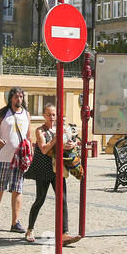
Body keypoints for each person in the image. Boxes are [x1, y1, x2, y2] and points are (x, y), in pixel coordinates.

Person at [24, 104, 81, 245]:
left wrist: (71, 145)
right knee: (40, 199)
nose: (52, 118)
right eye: (49, 115)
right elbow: (43, 149)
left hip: (57, 168)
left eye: (54, 115)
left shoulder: (61, 129)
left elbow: (69, 143)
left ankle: (64, 233)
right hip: (43, 169)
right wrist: (55, 139)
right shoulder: (40, 131)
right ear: (44, 115)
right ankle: (30, 229)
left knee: (62, 199)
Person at [0, 88, 30, 233]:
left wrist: (31, 154)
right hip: (2, 158)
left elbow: (28, 137)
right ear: (11, 98)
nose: (19, 99)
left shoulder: (26, 114)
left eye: (21, 97)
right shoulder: (3, 113)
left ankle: (15, 222)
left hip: (19, 159)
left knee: (17, 189)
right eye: (16, 97)